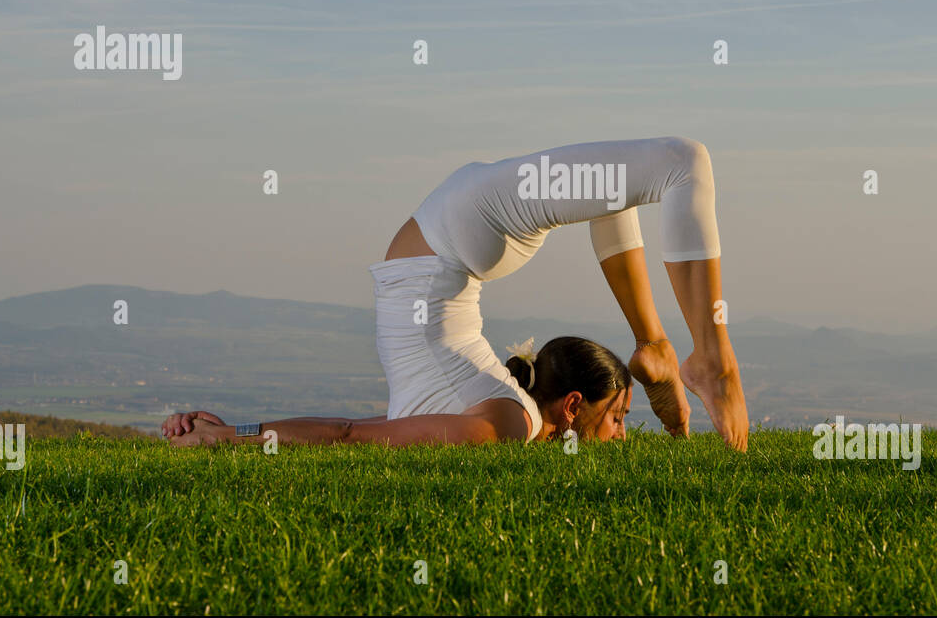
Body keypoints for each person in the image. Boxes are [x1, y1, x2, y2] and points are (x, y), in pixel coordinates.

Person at [163, 137, 748, 450]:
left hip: (458, 237)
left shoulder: (505, 420)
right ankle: (706, 358)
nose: (622, 438)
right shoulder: (507, 425)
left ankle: (662, 346)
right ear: (572, 406)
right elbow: (348, 434)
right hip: (457, 239)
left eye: (621, 422)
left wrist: (229, 432)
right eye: (619, 420)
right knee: (676, 165)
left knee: (665, 169)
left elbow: (353, 431)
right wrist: (228, 437)